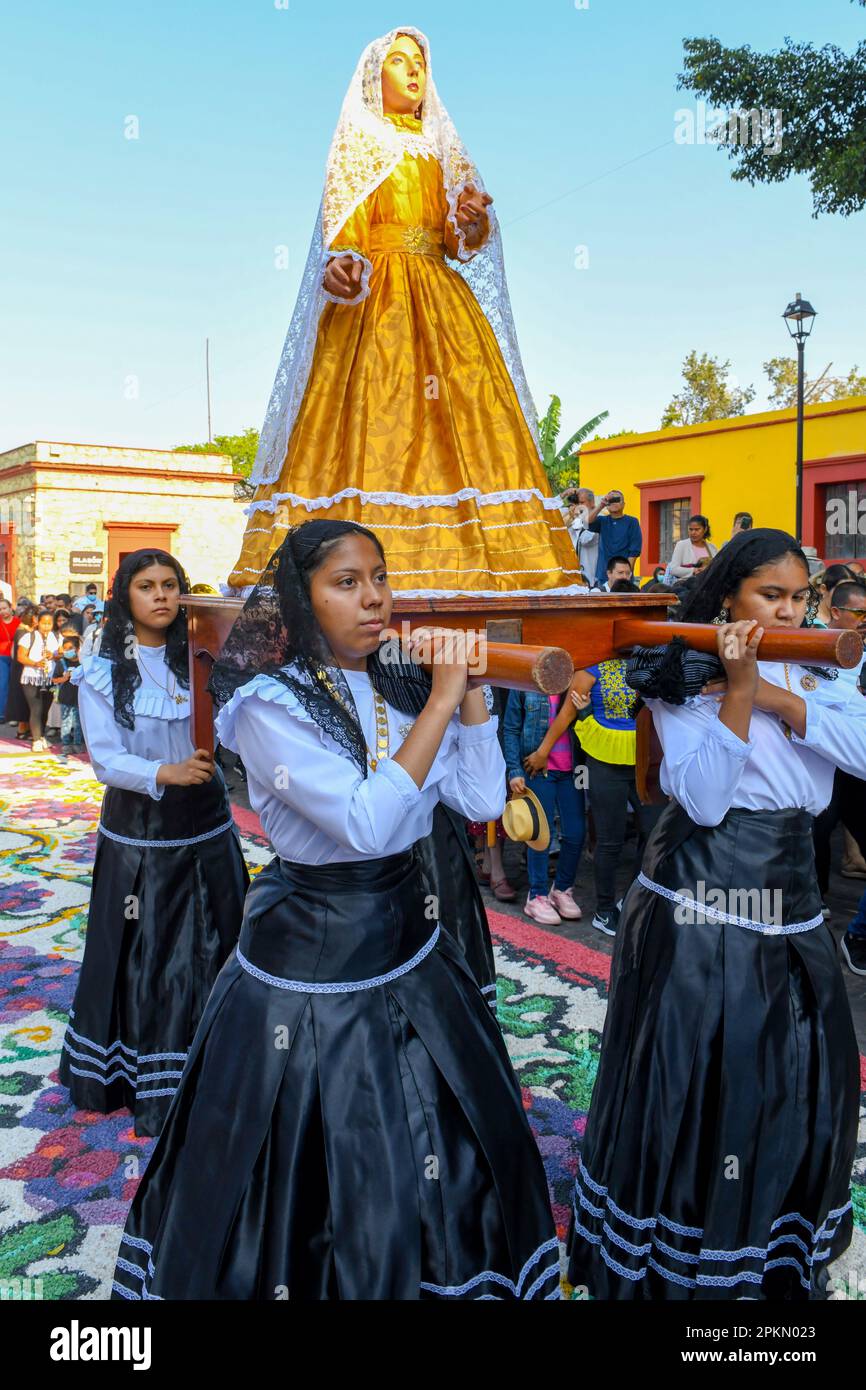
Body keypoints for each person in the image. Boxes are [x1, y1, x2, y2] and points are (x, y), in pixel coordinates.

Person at [112, 519, 560, 1301]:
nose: (374, 598)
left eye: (379, 578)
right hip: (312, 944)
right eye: (346, 583)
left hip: (411, 939)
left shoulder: (402, 679)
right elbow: (365, 824)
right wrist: (444, 701)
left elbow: (483, 800)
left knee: (443, 1126)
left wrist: (474, 695)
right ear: (301, 599)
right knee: (323, 1135)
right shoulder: (265, 703)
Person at [567, 528, 865, 1300]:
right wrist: (738, 690)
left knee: (792, 1068)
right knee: (705, 1068)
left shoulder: (822, 664)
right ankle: (681, 1251)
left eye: (802, 597)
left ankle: (767, 1241)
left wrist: (771, 693)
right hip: (701, 887)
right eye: (773, 596)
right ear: (729, 595)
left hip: (793, 887)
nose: (792, 611)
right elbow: (698, 797)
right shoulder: (676, 669)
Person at [225, 29, 579, 600]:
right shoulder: (358, 142)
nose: (413, 71)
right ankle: (348, 571)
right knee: (369, 415)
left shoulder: (442, 145)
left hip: (440, 296)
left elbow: (463, 237)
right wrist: (343, 264)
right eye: (398, 61)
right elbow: (345, 227)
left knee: (470, 415)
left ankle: (491, 561)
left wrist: (470, 219)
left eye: (420, 63)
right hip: (376, 297)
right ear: (373, 77)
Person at [58, 550, 248, 1137]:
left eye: (170, 585)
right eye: (147, 586)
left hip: (207, 824)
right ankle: (143, 1070)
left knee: (218, 933)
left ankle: (229, 1063)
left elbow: (234, 728)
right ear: (126, 597)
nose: (161, 596)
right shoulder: (103, 669)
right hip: (140, 833)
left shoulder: (204, 660)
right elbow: (107, 759)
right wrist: (164, 774)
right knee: (146, 945)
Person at [533, 618, 662, 937]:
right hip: (603, 760)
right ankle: (604, 911)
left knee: (653, 832)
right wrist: (543, 750)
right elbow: (566, 714)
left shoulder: (647, 661)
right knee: (610, 840)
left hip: (642, 759)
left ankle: (632, 900)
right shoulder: (590, 668)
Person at [503, 682, 586, 925]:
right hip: (538, 769)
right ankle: (537, 895)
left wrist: (586, 710)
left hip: (572, 770)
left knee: (576, 832)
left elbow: (586, 724)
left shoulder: (576, 681)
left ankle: (561, 889)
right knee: (541, 835)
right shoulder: (523, 684)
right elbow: (510, 728)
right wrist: (514, 770)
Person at [811, 580, 866, 935]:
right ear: (836, 612)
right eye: (860, 613)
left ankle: (857, 934)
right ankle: (814, 901)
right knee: (815, 834)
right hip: (822, 764)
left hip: (857, 766)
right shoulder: (809, 648)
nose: (865, 620)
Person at [16, 608, 60, 751]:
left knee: (45, 709)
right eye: (44, 623)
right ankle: (36, 740)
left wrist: (52, 655)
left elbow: (61, 654)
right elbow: (20, 656)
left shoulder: (57, 637)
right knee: (36, 708)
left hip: (48, 678)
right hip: (32, 677)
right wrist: (35, 663)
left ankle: (41, 736)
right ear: (38, 622)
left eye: (49, 623)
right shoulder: (28, 637)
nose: (46, 626)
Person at [584, 490, 642, 582]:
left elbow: (634, 551)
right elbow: (586, 522)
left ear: (623, 504)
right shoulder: (602, 521)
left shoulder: (632, 522)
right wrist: (601, 504)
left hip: (623, 576)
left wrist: (627, 574)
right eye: (610, 500)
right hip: (603, 574)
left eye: (617, 499)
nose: (613, 503)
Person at [51, 628, 84, 751]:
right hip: (65, 697)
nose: (67, 651)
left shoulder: (83, 663)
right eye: (65, 648)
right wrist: (64, 678)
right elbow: (54, 679)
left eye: (70, 648)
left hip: (79, 698)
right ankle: (65, 744)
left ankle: (77, 743)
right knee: (66, 721)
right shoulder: (62, 663)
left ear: (77, 648)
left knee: (78, 722)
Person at [668, 514, 717, 581]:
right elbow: (673, 569)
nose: (693, 532)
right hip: (687, 585)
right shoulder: (682, 545)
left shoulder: (712, 548)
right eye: (691, 529)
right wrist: (693, 571)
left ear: (705, 529)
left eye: (697, 529)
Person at [0, 597, 20, 722]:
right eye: (0, 609)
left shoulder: (18, 622)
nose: (2, 611)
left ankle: (14, 714)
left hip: (17, 656)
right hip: (1, 656)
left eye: (4, 608)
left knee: (15, 685)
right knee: (2, 685)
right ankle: (2, 714)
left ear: (10, 608)